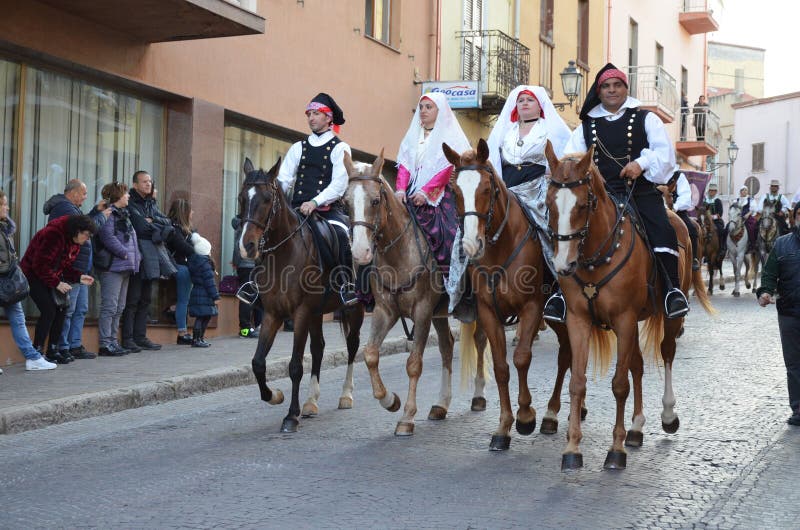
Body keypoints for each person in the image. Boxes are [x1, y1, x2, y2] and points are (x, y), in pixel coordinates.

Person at [548, 63, 689, 321]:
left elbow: (664, 154)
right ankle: (560, 295)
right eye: (606, 86)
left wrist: (640, 164)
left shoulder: (646, 119)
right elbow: (570, 157)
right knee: (565, 230)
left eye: (617, 85)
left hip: (639, 191)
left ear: (626, 89)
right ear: (599, 91)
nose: (611, 90)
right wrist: (580, 172)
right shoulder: (586, 126)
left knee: (663, 229)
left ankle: (672, 291)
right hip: (598, 196)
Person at [484, 84, 571, 313]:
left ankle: (561, 289)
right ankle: (466, 288)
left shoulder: (551, 129)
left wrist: (555, 171)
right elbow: (492, 160)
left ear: (540, 105)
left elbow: (568, 158)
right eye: (521, 100)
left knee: (552, 230)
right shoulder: (506, 130)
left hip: (537, 190)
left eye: (529, 100)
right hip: (507, 190)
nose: (524, 103)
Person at [275, 92, 358, 306]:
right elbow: (284, 179)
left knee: (342, 235)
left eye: (316, 114)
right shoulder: (298, 147)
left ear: (328, 118)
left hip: (326, 210)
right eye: (309, 114)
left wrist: (315, 202)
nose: (311, 118)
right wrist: (277, 200)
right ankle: (257, 284)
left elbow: (339, 184)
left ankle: (346, 285)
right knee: (269, 232)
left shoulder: (340, 148)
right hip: (295, 209)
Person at [20, 215, 96, 364]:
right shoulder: (53, 234)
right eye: (86, 235)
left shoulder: (74, 242)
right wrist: (57, 283)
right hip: (32, 275)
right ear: (77, 231)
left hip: (50, 276)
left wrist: (79, 277)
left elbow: (64, 266)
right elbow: (39, 264)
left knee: (62, 307)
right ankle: (37, 352)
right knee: (49, 309)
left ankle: (53, 350)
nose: (87, 239)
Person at [0, 191, 57, 371]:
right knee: (18, 317)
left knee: (18, 318)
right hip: (4, 278)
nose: (7, 208)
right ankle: (33, 357)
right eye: (3, 204)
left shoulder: (4, 228)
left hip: (7, 281)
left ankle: (32, 357)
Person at [42, 179, 96, 360]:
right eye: (84, 193)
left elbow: (85, 225)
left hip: (81, 268)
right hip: (71, 268)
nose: (85, 197)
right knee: (68, 309)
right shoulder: (64, 208)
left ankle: (75, 345)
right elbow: (84, 229)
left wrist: (97, 213)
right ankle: (62, 346)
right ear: (73, 193)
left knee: (81, 309)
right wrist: (100, 215)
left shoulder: (73, 209)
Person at [757, 204, 800, 426]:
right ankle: (799, 409)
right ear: (795, 218)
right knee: (793, 364)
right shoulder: (782, 244)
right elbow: (769, 273)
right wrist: (765, 291)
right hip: (789, 313)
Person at [122, 170, 168, 352]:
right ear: (135, 185)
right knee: (132, 299)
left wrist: (153, 220)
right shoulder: (130, 202)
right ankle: (127, 339)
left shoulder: (150, 203)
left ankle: (140, 337)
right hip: (136, 255)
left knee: (146, 299)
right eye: (144, 182)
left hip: (151, 255)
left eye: (150, 181)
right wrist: (154, 226)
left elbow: (168, 223)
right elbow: (140, 227)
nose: (148, 184)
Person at [95, 183, 141, 356]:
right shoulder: (109, 213)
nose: (128, 196)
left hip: (125, 266)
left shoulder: (124, 214)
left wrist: (136, 257)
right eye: (125, 193)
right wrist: (124, 253)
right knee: (109, 306)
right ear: (118, 195)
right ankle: (105, 344)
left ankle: (113, 341)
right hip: (113, 267)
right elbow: (107, 237)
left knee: (119, 307)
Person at [167, 199, 196, 345]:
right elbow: (184, 247)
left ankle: (173, 310)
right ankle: (182, 333)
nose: (192, 213)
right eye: (190, 210)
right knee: (183, 300)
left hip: (181, 266)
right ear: (183, 212)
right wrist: (197, 249)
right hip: (179, 267)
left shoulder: (184, 230)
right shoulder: (174, 229)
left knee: (184, 300)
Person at [232, 214, 263, 338]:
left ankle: (255, 326)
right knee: (247, 297)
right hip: (248, 265)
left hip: (249, 265)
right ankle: (245, 329)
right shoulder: (245, 226)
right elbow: (241, 247)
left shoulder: (244, 225)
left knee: (254, 296)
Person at [187, 232, 220, 348]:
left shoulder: (196, 261)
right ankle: (197, 339)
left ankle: (199, 338)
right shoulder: (205, 264)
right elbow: (210, 283)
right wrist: (215, 296)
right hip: (204, 294)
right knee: (202, 317)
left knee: (204, 316)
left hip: (198, 292)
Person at [668, 168, 700, 271]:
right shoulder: (654, 172)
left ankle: (694, 258)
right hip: (659, 209)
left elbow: (686, 198)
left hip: (678, 211)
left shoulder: (678, 176)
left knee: (692, 230)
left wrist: (675, 207)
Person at [702, 183, 727, 256]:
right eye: (710, 190)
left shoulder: (718, 201)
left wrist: (711, 217)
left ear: (716, 192)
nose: (711, 192)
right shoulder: (705, 200)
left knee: (720, 230)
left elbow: (720, 213)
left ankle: (721, 248)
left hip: (716, 221)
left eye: (713, 191)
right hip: (705, 221)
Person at [732, 185, 758, 251]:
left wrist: (748, 214)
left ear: (747, 191)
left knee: (751, 228)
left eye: (745, 190)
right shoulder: (736, 200)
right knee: (729, 227)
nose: (744, 191)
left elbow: (753, 209)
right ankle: (725, 246)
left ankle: (752, 244)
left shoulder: (750, 200)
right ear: (740, 192)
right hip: (737, 218)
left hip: (747, 217)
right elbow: (733, 209)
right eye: (742, 190)